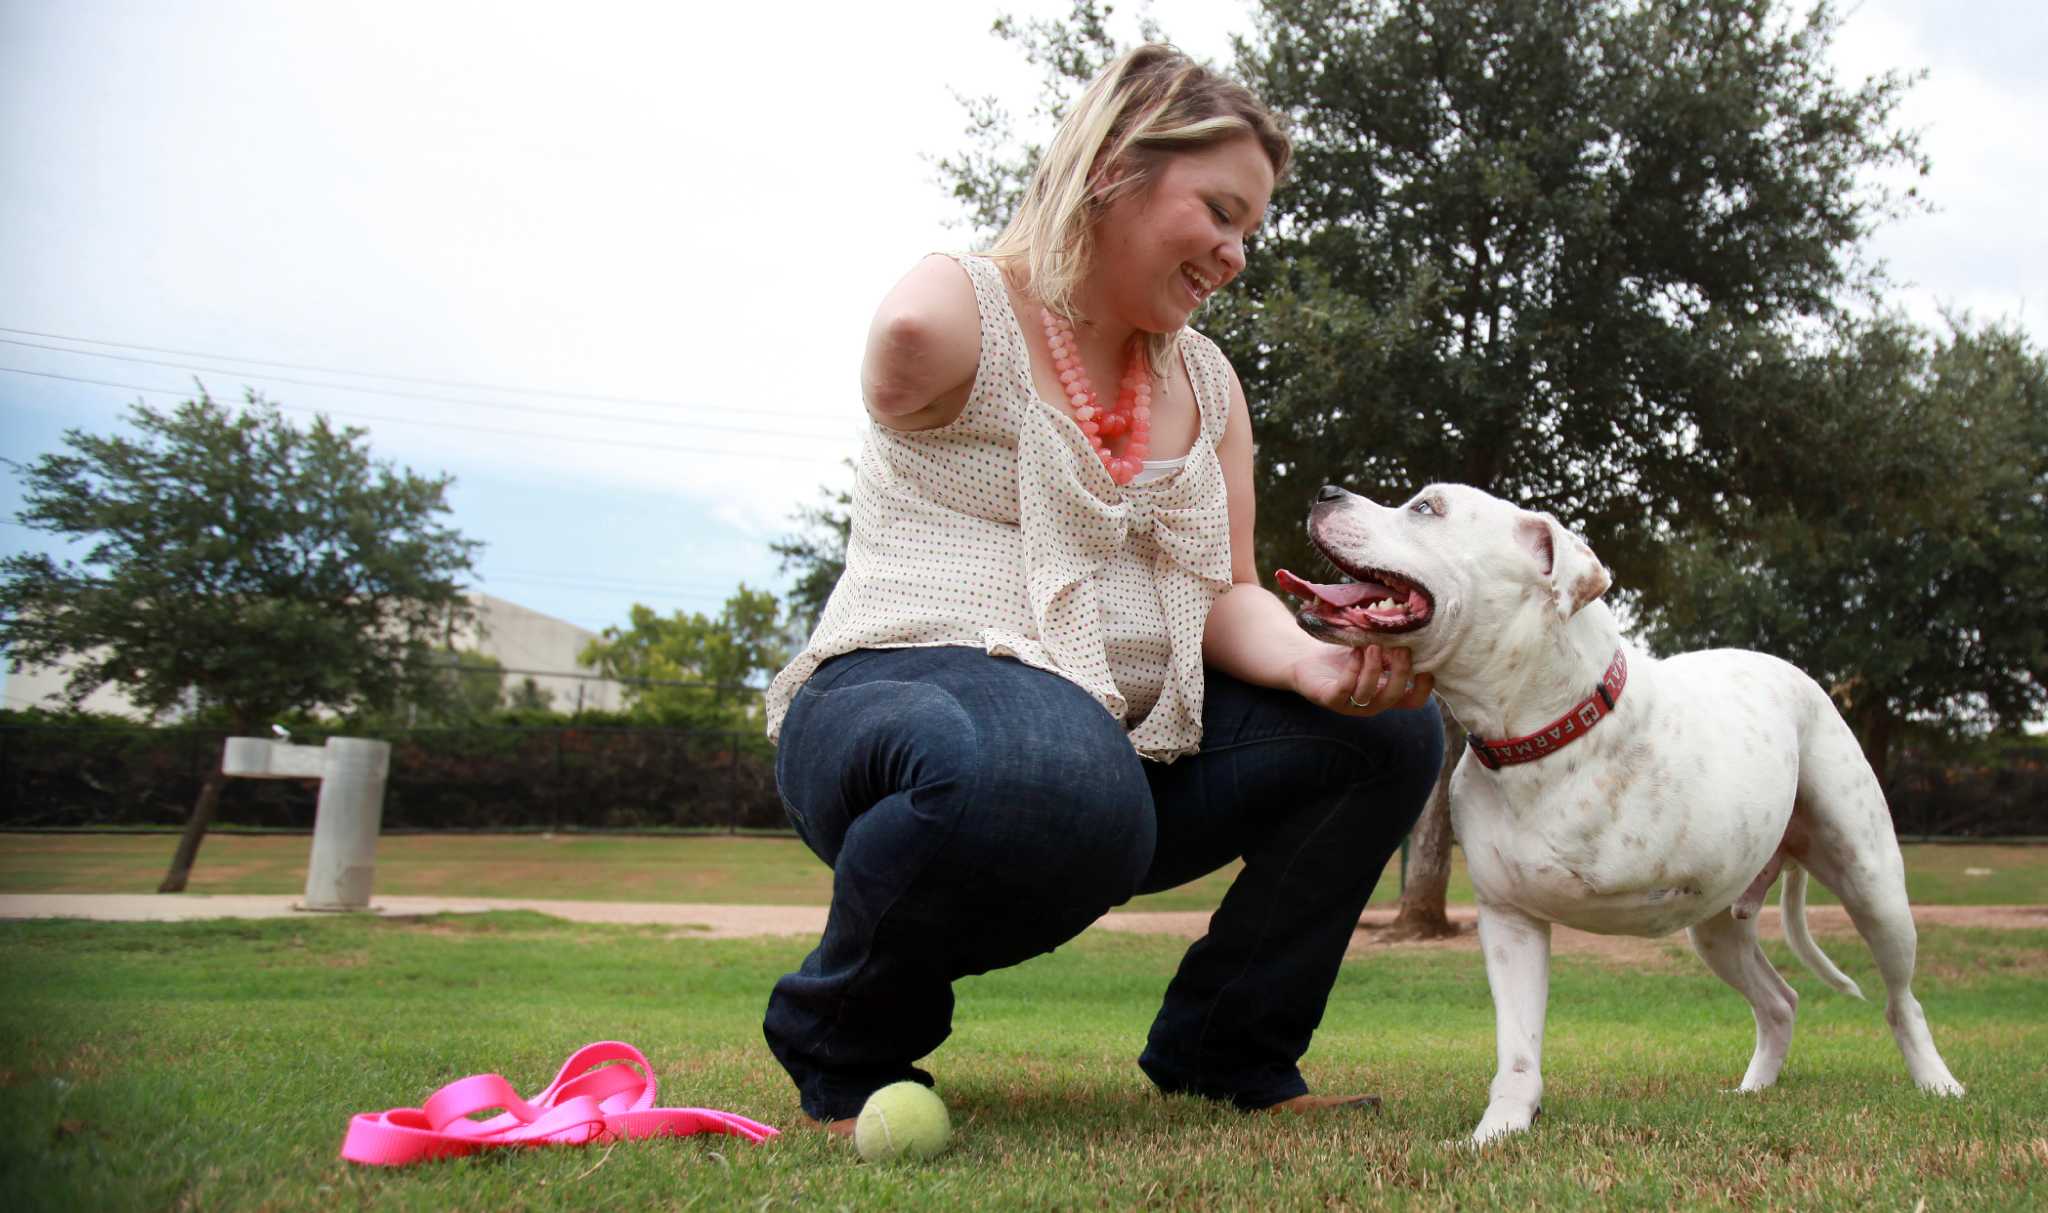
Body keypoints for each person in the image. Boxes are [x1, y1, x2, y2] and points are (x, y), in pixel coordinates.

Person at [760, 43, 1443, 1133]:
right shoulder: (966, 309)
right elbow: (899, 340)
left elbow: (1222, 594)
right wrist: (1008, 286)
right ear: (1117, 166)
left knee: (1390, 739)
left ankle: (1227, 1049)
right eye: (1217, 211)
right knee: (1050, 762)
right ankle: (839, 1036)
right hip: (898, 711)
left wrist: (1318, 664)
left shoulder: (1207, 383)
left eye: (1248, 231)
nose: (1233, 253)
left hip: (1120, 756)